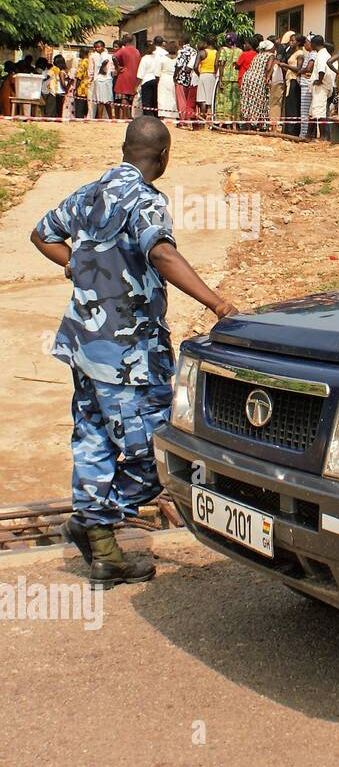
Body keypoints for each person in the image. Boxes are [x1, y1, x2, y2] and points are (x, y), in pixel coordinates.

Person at [28, 117, 237, 586]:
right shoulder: (146, 202)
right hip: (129, 353)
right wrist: (218, 303)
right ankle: (96, 522)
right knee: (158, 452)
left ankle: (105, 554)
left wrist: (81, 271)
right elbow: (161, 254)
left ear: (125, 148)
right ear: (163, 157)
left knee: (93, 440)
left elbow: (42, 234)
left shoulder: (88, 194)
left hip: (84, 346)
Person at [238, 39, 276, 131]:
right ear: (270, 48)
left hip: (247, 77)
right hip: (257, 79)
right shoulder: (270, 55)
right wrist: (268, 77)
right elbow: (268, 67)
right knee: (258, 101)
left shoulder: (258, 55)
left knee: (248, 101)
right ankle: (256, 125)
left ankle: (247, 126)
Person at [308, 34, 335, 138]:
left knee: (319, 112)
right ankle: (309, 135)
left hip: (321, 87)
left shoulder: (321, 55)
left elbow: (321, 70)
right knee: (314, 112)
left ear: (314, 44)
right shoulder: (324, 54)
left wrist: (319, 80)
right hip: (321, 87)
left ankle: (323, 136)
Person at [136, 37, 167, 117]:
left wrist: (136, 86)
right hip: (157, 80)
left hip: (146, 81)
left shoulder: (145, 58)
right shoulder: (162, 55)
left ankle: (148, 119)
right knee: (155, 101)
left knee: (147, 103)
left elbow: (140, 74)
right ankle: (156, 119)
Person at [213, 34, 241, 122]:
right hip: (236, 78)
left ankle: (223, 120)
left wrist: (220, 79)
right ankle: (234, 120)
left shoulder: (224, 50)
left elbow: (221, 64)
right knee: (235, 100)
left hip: (225, 78)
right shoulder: (240, 51)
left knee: (223, 100)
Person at [174, 34, 199, 128]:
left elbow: (179, 65)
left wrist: (175, 76)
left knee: (181, 100)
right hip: (190, 78)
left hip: (181, 77)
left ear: (181, 41)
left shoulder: (181, 51)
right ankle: (188, 119)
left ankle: (182, 121)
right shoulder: (194, 51)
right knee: (187, 99)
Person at [112, 36, 140, 120]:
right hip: (135, 75)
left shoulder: (123, 50)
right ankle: (128, 115)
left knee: (123, 96)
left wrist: (117, 67)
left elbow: (114, 57)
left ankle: (124, 116)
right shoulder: (137, 51)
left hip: (124, 74)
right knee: (130, 96)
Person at [195, 38, 217, 123]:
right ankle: (210, 120)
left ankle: (202, 120)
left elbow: (195, 66)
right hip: (212, 75)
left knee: (202, 99)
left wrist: (199, 74)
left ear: (206, 43)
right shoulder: (217, 52)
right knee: (210, 99)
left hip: (203, 75)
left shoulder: (202, 52)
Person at [156, 42, 178, 120]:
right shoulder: (178, 59)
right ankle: (174, 115)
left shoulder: (162, 58)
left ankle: (162, 115)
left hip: (163, 79)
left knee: (162, 98)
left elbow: (157, 73)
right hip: (174, 79)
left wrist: (158, 81)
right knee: (173, 97)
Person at [93, 43, 115, 119]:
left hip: (101, 79)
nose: (97, 49)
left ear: (103, 47)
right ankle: (110, 118)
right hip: (107, 79)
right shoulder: (108, 56)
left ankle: (100, 118)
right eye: (96, 47)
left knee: (100, 101)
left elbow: (104, 70)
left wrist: (102, 66)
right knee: (107, 101)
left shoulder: (101, 56)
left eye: (99, 47)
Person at [73, 48, 91, 119]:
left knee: (79, 109)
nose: (79, 54)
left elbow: (79, 77)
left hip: (82, 88)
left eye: (79, 52)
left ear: (82, 52)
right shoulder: (89, 61)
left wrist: (75, 88)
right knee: (85, 108)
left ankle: (79, 121)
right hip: (88, 87)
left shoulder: (82, 62)